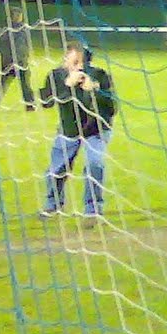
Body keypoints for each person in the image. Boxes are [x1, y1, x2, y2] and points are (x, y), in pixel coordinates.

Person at [38, 41, 116, 219]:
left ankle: (93, 209)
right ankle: (53, 204)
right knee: (56, 169)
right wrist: (67, 86)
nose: (80, 68)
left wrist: (94, 91)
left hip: (96, 131)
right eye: (76, 63)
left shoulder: (100, 75)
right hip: (69, 131)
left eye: (83, 63)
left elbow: (112, 108)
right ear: (65, 60)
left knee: (95, 164)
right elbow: (46, 102)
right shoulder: (55, 76)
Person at [0, 18, 37, 112]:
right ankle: (30, 105)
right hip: (18, 61)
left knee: (5, 83)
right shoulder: (21, 29)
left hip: (11, 61)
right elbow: (25, 45)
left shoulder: (7, 29)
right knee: (24, 84)